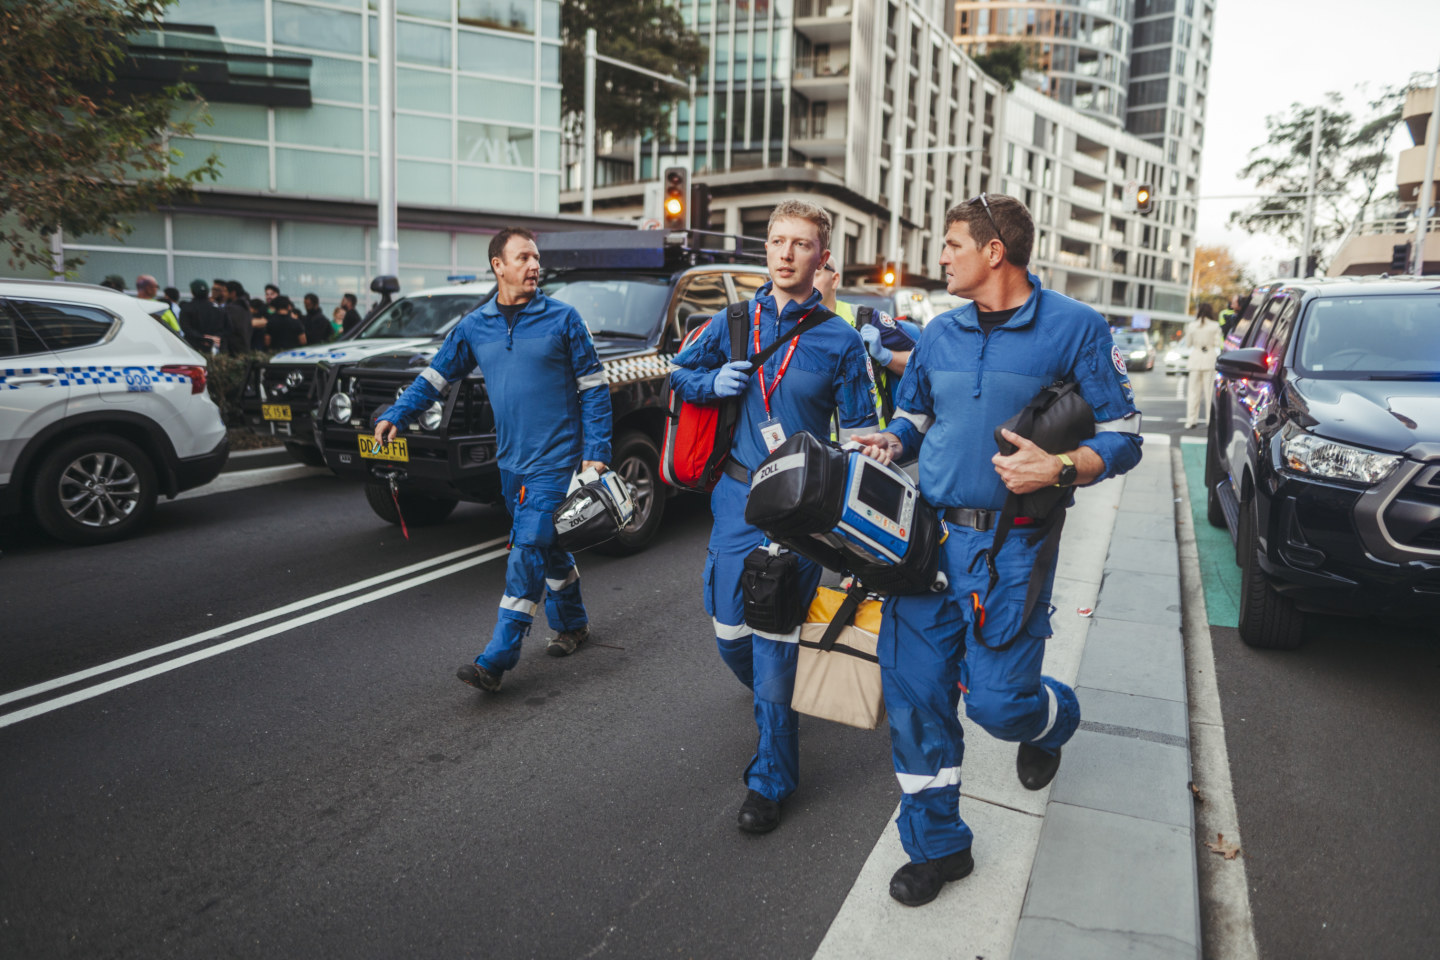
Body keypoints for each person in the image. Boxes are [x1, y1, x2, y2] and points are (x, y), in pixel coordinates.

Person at [852, 194, 1141, 907]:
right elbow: (916, 415)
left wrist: (1060, 467)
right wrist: (896, 440)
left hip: (1012, 546)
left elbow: (1125, 432)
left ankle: (1052, 720)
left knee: (999, 707)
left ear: (993, 253)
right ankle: (940, 847)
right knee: (916, 698)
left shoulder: (1074, 328)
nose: (941, 256)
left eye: (951, 244)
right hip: (926, 539)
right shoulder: (940, 334)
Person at [669, 201, 878, 835]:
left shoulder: (840, 340)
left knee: (776, 644)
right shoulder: (733, 320)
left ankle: (771, 779)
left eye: (801, 244)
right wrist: (711, 386)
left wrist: (855, 513)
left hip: (800, 514)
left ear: (822, 257)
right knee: (732, 636)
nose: (786, 253)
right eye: (777, 241)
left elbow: (863, 431)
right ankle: (769, 696)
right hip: (736, 502)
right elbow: (677, 373)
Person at [374, 227, 612, 691]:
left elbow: (595, 389)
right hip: (511, 464)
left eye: (537, 257)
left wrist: (596, 453)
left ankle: (496, 659)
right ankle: (574, 624)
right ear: (497, 265)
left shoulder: (563, 319)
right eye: (523, 257)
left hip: (555, 461)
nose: (534, 265)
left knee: (526, 551)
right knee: (551, 544)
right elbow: (434, 378)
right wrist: (398, 415)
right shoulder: (473, 325)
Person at [814, 256, 916, 423]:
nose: (807, 281)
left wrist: (885, 356)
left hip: (869, 443)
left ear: (834, 280)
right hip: (815, 444)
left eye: (815, 274)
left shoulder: (866, 319)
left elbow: (921, 363)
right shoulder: (789, 326)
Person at [1184, 301, 1223, 429]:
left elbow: (1188, 343)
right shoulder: (1215, 326)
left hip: (1195, 359)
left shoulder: (1192, 326)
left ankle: (1191, 420)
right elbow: (1218, 343)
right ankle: (1209, 420)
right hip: (1210, 359)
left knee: (1193, 392)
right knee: (1209, 392)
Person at [179, 278, 225, 353]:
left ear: (192, 292)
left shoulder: (187, 308)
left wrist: (202, 337)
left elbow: (186, 328)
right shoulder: (217, 308)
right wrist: (213, 337)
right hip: (213, 347)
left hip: (192, 347)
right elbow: (227, 328)